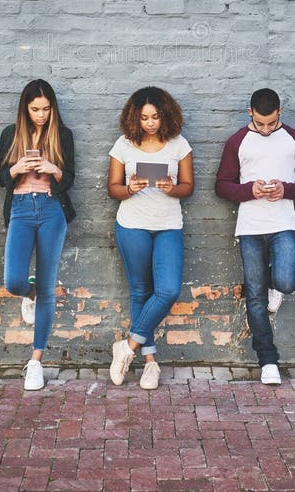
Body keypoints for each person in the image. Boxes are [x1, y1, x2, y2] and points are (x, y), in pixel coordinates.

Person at [215, 88, 295, 385]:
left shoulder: (294, 139)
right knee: (255, 297)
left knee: (286, 281)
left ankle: (276, 286)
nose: (266, 129)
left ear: (279, 113)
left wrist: (287, 189)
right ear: (250, 113)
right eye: (260, 123)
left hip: (283, 222)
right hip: (250, 227)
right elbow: (221, 185)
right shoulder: (238, 141)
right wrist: (250, 190)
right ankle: (268, 360)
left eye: (271, 123)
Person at [107, 87, 193, 390]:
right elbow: (112, 188)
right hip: (132, 224)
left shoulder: (178, 144)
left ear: (165, 115)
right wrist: (129, 188)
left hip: (168, 224)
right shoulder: (124, 145)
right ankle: (150, 363)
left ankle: (127, 347)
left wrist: (174, 188)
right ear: (135, 117)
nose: (150, 123)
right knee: (140, 291)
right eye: (144, 118)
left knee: (167, 290)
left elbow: (189, 186)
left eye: (155, 117)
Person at [0, 79, 75, 391]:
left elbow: (69, 178)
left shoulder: (62, 135)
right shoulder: (10, 135)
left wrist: (51, 168)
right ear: (25, 109)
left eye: (46, 109)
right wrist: (16, 169)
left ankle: (36, 361)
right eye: (35, 109)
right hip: (20, 208)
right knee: (13, 281)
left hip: (51, 209)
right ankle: (27, 292)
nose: (41, 115)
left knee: (47, 287)